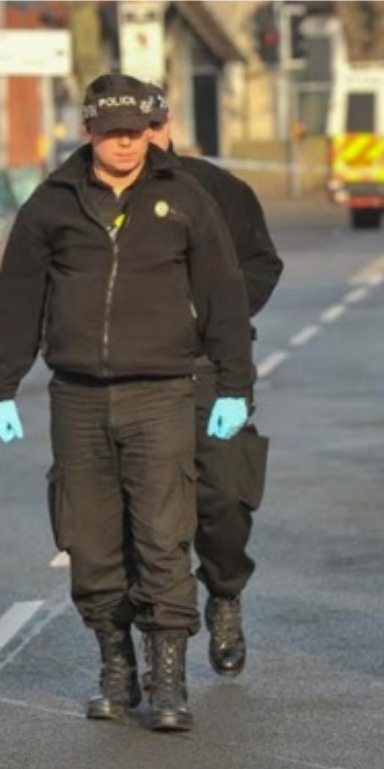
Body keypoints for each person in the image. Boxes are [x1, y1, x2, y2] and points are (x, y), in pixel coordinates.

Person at [0, 73, 254, 733]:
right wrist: (1, 385)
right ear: (89, 132)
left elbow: (223, 295)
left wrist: (237, 386)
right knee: (90, 542)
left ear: (148, 131)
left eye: (135, 132)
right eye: (112, 133)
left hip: (160, 393)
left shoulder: (184, 199)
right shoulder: (51, 204)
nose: (125, 144)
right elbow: (18, 297)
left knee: (163, 536)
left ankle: (167, 680)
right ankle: (116, 666)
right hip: (75, 397)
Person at [146, 83, 284, 677]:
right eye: (123, 131)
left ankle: (225, 593)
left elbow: (262, 263)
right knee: (147, 513)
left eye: (149, 126)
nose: (138, 141)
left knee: (223, 500)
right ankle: (159, 642)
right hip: (137, 378)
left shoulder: (219, 188)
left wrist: (217, 316)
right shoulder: (94, 198)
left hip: (212, 372)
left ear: (168, 123)